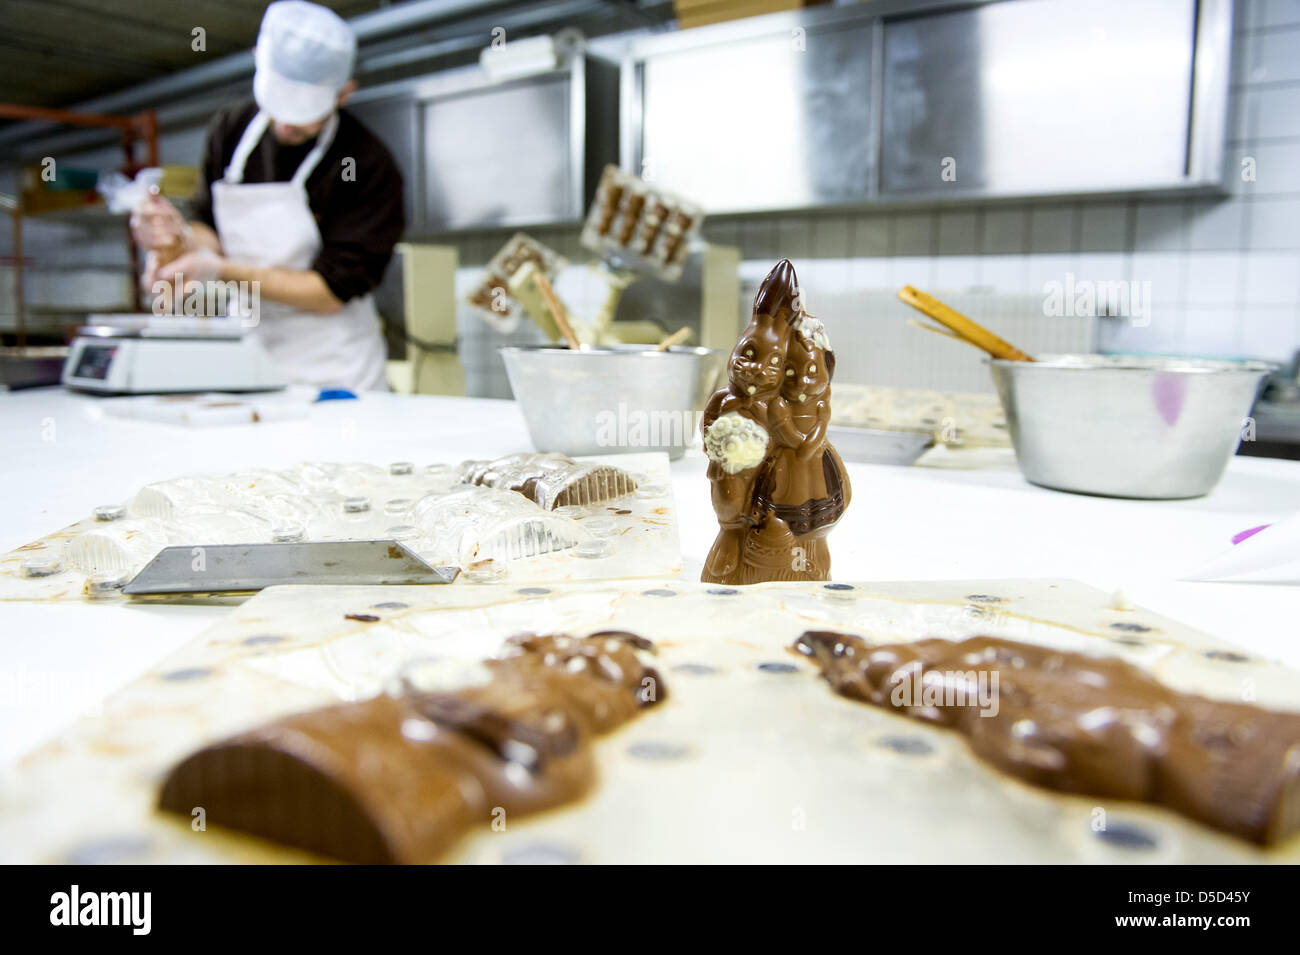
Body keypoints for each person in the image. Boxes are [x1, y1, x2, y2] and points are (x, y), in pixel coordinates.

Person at [130, 0, 404, 392]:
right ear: (259, 61)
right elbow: (210, 229)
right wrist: (182, 240)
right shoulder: (231, 128)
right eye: (279, 105)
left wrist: (219, 270)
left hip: (334, 371)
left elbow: (329, 293)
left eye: (304, 112)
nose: (288, 124)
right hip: (247, 358)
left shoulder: (365, 161)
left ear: (344, 94)